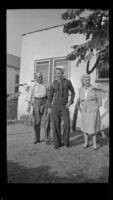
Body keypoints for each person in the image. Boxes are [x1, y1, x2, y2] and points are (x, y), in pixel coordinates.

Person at [47, 66, 75, 149]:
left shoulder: (68, 82)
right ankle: (57, 143)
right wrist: (49, 106)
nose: (58, 75)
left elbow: (73, 93)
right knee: (56, 124)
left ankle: (66, 142)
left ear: (63, 73)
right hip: (55, 105)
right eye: (57, 73)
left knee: (66, 124)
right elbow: (50, 95)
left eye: (60, 73)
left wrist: (70, 102)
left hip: (64, 105)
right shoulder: (53, 83)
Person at [78, 74, 102, 150]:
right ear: (82, 81)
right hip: (85, 111)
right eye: (86, 80)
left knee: (93, 127)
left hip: (93, 110)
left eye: (88, 80)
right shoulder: (80, 89)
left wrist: (96, 108)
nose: (87, 81)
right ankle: (86, 143)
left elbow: (99, 99)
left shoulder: (94, 88)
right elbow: (79, 100)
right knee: (85, 127)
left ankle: (94, 144)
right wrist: (80, 109)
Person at [27, 72, 49, 144]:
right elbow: (30, 95)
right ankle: (37, 139)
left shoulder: (44, 84)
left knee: (46, 121)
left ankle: (47, 139)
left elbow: (48, 94)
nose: (40, 78)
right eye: (39, 77)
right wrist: (29, 105)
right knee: (36, 121)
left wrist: (48, 104)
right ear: (35, 78)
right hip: (36, 102)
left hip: (44, 102)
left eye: (41, 77)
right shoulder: (33, 85)